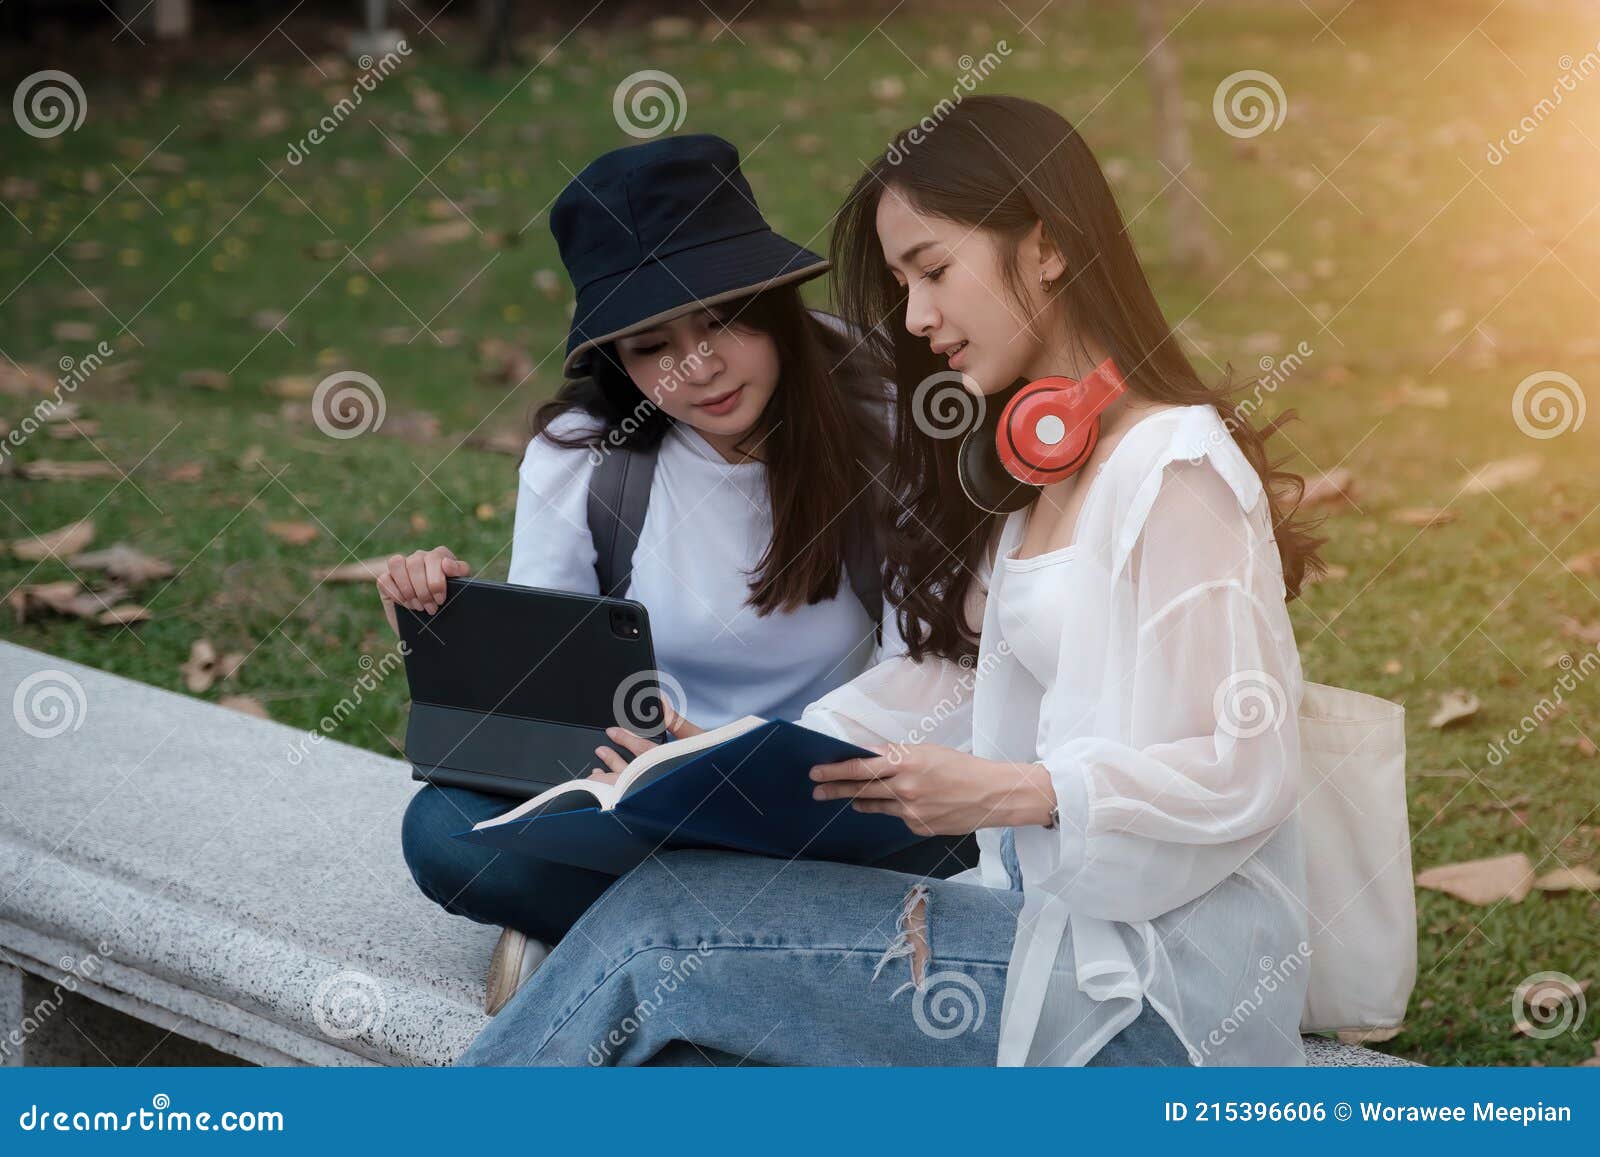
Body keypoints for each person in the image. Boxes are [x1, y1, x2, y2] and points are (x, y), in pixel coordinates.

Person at [454, 96, 1326, 1067]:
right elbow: (949, 677)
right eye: (904, 284)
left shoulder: (1174, 469)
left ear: (1046, 245)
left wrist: (1021, 792)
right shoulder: (1040, 466)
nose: (915, 317)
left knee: (658, 931)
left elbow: (1247, 766)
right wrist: (739, 757)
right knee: (683, 1034)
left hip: (1148, 992)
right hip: (1039, 922)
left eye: (933, 270)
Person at [382, 134, 973, 1015]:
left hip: (827, 791)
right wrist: (444, 626)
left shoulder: (886, 418)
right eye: (653, 344)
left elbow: (929, 667)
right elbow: (548, 690)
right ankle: (760, 943)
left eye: (724, 318)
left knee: (962, 837)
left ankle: (625, 933)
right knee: (445, 833)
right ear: (617, 357)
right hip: (642, 796)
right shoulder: (583, 457)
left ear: (775, 304)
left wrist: (742, 757)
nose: (700, 365)